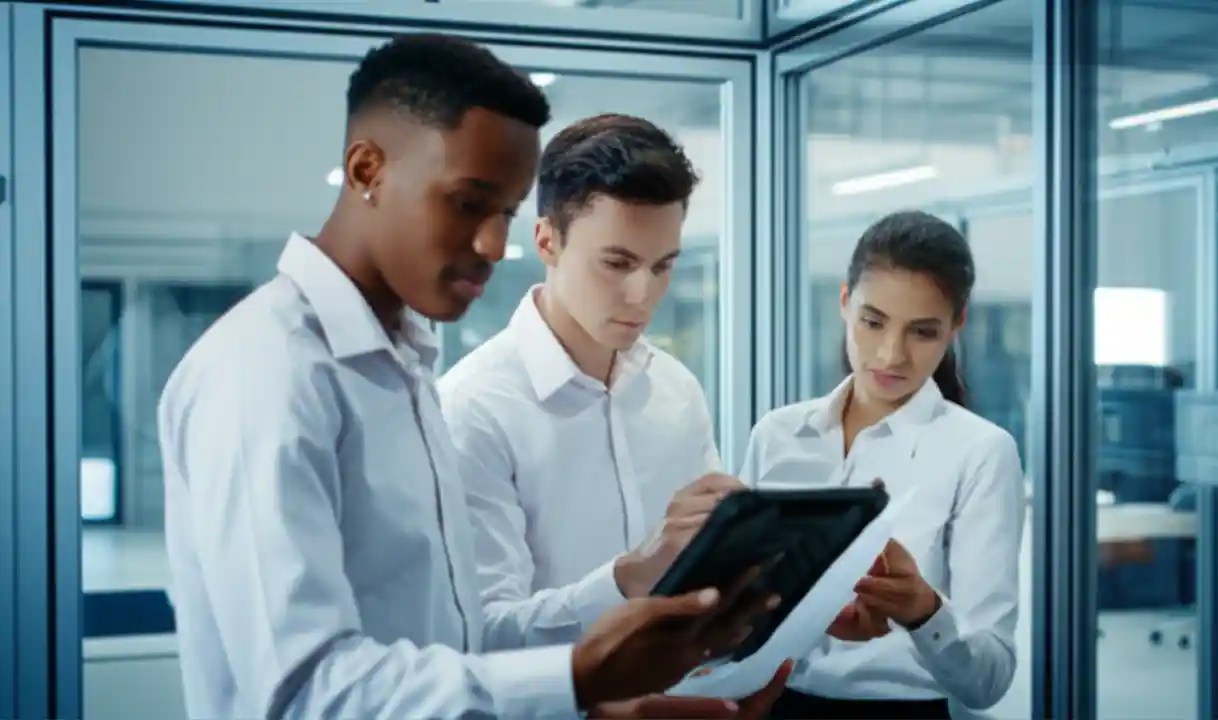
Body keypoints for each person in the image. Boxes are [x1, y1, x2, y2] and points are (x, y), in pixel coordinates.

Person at [158, 33, 783, 720]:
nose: (491, 244)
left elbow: (463, 646)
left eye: (505, 213)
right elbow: (307, 692)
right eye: (465, 202)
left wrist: (611, 711)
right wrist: (581, 677)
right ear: (367, 169)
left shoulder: (403, 369)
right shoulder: (267, 373)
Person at [437, 113, 737, 645]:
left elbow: (705, 574)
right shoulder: (471, 409)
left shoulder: (677, 391)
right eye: (617, 263)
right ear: (546, 241)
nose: (642, 295)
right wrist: (630, 576)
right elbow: (483, 635)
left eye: (662, 266)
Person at [739, 211, 1025, 719]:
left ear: (955, 327)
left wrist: (924, 612)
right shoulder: (777, 434)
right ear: (845, 302)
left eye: (922, 332)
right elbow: (738, 610)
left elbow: (989, 680)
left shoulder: (981, 451)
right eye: (873, 322)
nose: (891, 355)